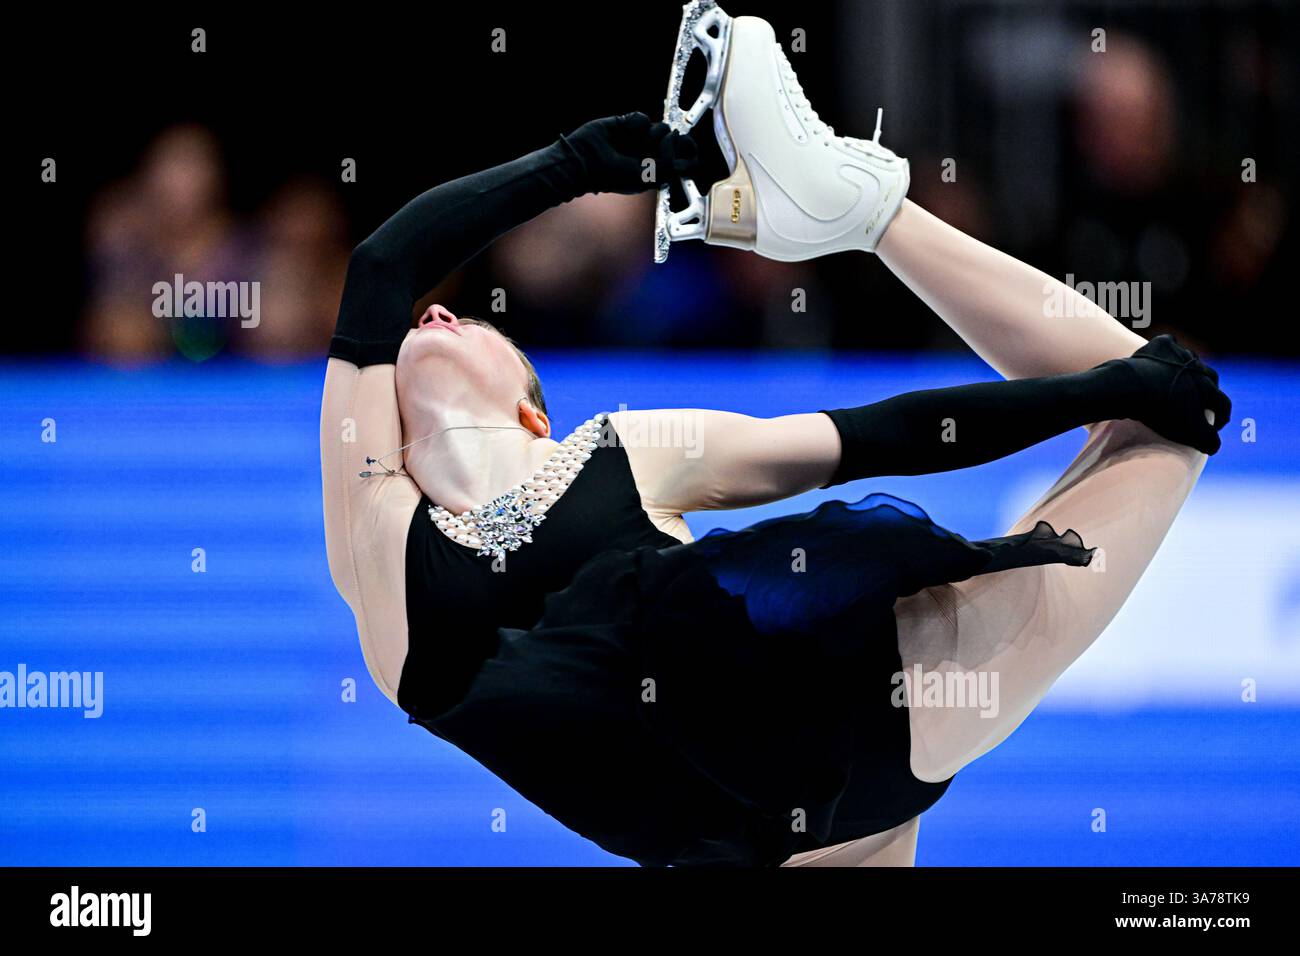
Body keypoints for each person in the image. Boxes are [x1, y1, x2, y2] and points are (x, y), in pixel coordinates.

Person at [319, 111, 1229, 867]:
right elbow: (383, 267)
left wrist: (1102, 392)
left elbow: (866, 439)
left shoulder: (621, 449)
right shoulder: (380, 543)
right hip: (780, 853)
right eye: (432, 318)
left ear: (532, 414)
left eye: (469, 319)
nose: (435, 312)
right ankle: (861, 210)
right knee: (1152, 399)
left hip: (893, 700)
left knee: (1162, 420)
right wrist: (575, 165)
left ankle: (874, 219)